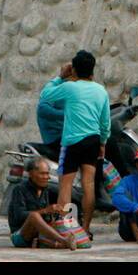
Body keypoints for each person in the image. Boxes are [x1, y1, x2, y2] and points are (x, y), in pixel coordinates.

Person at [39, 51, 111, 235]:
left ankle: (67, 229)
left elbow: (45, 96)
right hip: (93, 140)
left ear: (75, 69)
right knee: (89, 185)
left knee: (66, 184)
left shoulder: (70, 87)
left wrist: (60, 77)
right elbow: (105, 122)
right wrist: (102, 142)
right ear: (92, 70)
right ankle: (85, 229)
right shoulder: (101, 91)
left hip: (72, 142)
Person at [8, 158, 76, 249]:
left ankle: (56, 243)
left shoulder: (45, 190)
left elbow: (45, 218)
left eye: (47, 174)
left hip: (37, 233)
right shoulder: (19, 189)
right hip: (20, 235)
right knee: (34, 216)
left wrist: (52, 215)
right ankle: (63, 240)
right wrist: (45, 211)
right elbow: (19, 216)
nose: (46, 177)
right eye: (42, 174)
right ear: (31, 174)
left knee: (59, 221)